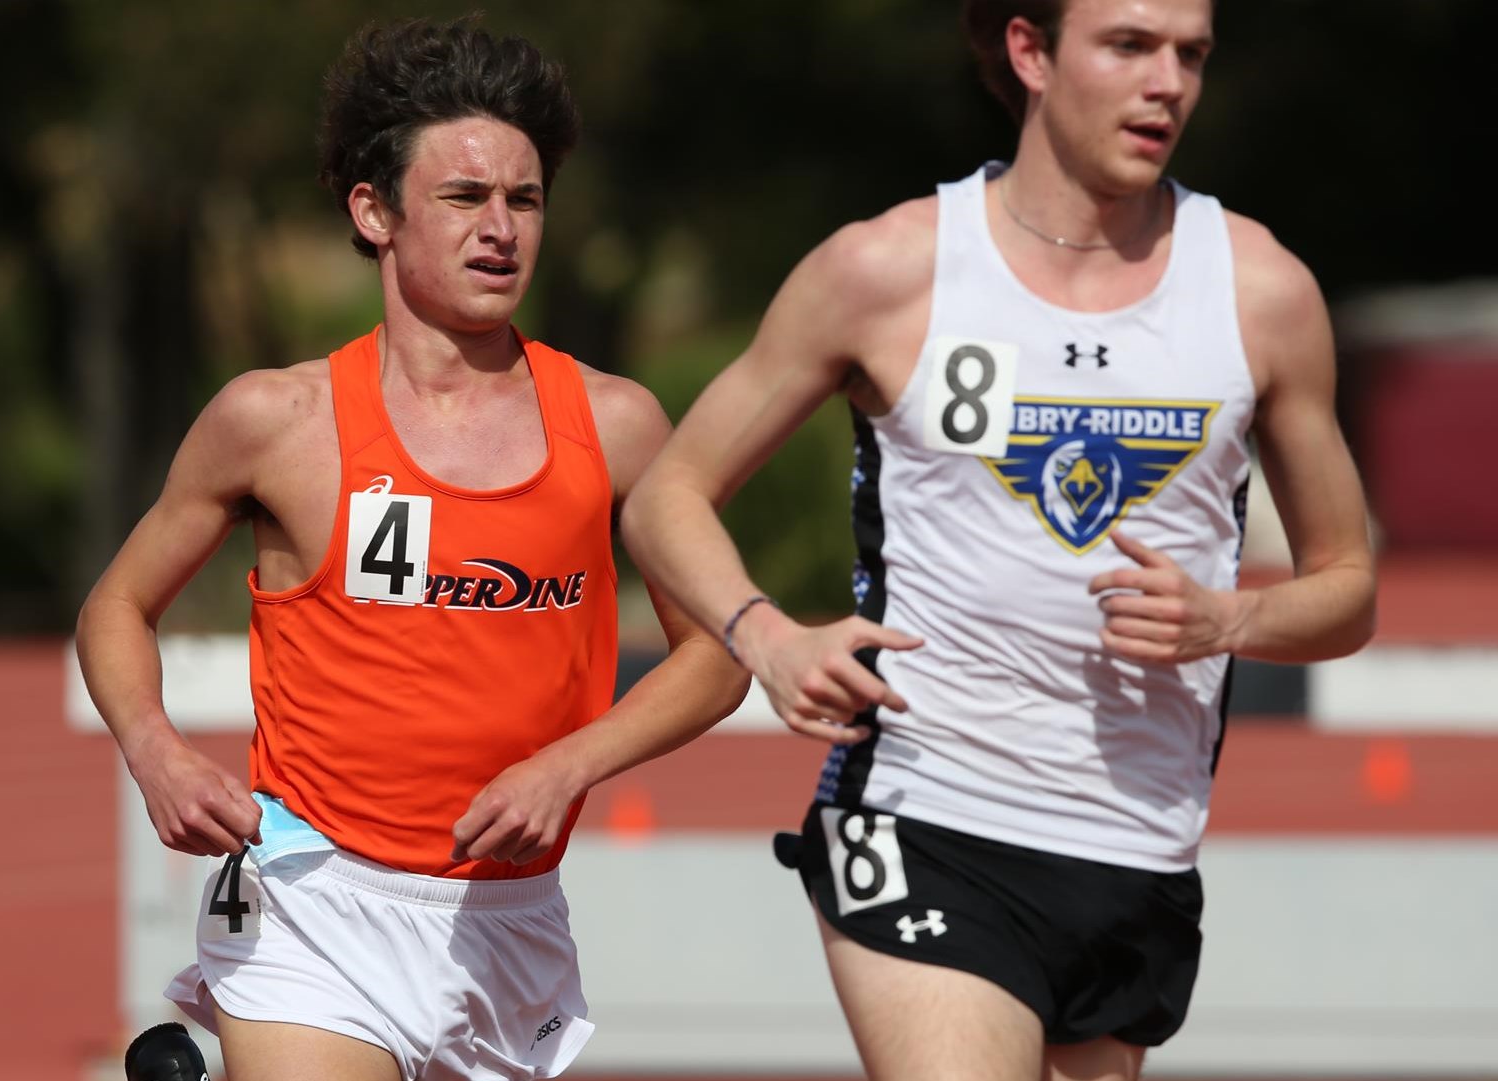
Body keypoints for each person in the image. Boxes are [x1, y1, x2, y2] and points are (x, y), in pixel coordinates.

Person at [619, 1, 1376, 1079]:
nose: (1167, 82)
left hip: (1134, 850)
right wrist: (765, 637)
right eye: (1127, 46)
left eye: (1189, 54)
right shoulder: (887, 269)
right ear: (1029, 51)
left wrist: (1232, 616)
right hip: (923, 810)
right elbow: (665, 494)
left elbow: (1347, 589)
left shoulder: (1260, 292)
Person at [76, 16, 748, 1081]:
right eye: (464, 198)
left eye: (524, 200)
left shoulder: (615, 425)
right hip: (310, 901)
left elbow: (717, 652)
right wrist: (153, 748)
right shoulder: (274, 420)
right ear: (374, 211)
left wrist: (571, 762)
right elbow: (114, 605)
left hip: (504, 920)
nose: (501, 229)